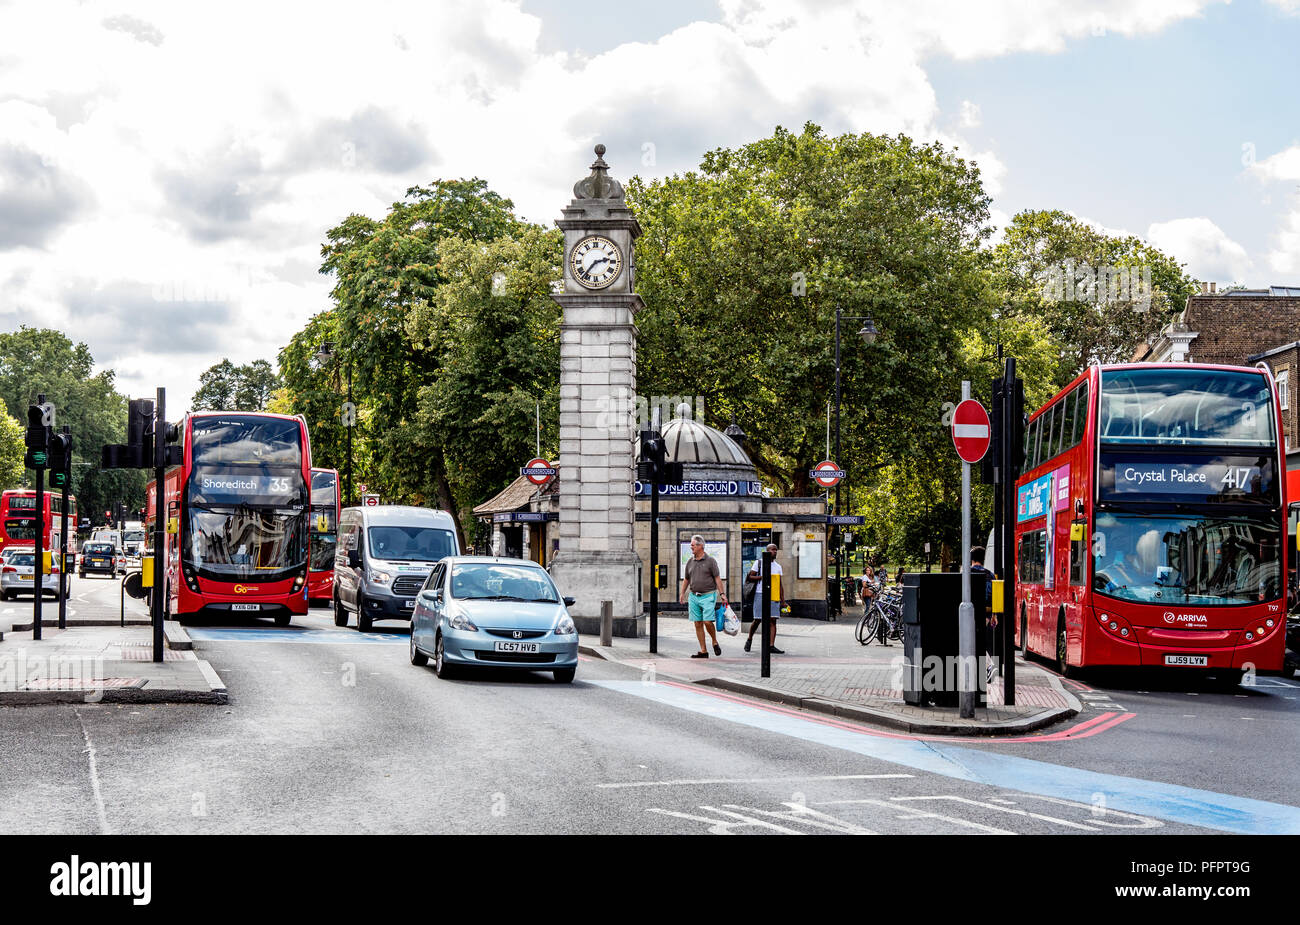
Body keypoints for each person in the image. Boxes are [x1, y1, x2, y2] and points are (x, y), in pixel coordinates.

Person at [678, 535, 727, 658]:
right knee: (697, 623)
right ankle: (703, 651)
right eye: (691, 545)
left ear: (700, 546)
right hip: (694, 596)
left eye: (693, 545)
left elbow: (717, 578)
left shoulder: (710, 561)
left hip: (708, 595)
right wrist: (682, 593)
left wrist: (722, 594)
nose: (691, 547)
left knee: (707, 621)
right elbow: (687, 579)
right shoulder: (690, 561)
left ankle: (714, 641)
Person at [744, 543, 786, 653]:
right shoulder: (759, 563)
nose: (775, 552)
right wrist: (762, 577)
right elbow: (750, 576)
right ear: (767, 551)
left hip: (774, 595)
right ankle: (749, 639)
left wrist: (783, 600)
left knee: (773, 620)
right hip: (760, 593)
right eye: (772, 550)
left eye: (776, 550)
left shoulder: (778, 567)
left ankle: (771, 645)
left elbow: (780, 584)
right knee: (757, 619)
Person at [971, 546, 996, 679]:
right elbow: (994, 595)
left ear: (972, 558)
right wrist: (994, 615)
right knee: (977, 639)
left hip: (970, 612)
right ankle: (985, 667)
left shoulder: (967, 573)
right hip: (986, 612)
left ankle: (989, 665)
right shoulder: (990, 574)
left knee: (973, 641)